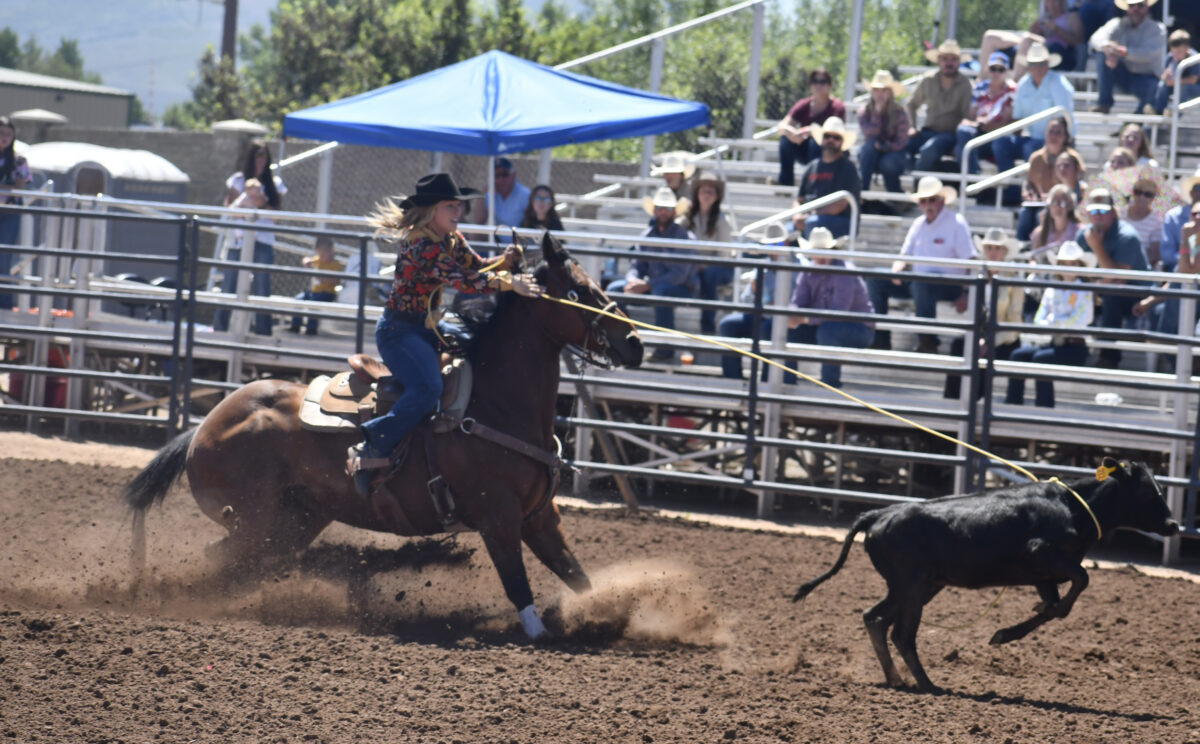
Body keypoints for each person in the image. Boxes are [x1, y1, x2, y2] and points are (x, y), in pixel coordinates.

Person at [346, 173, 539, 497]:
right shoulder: (419, 244)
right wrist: (507, 281)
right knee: (428, 387)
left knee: (483, 352)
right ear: (431, 210)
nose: (458, 212)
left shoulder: (450, 239)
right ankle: (373, 442)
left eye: (459, 206)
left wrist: (502, 262)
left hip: (428, 325)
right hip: (400, 331)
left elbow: (475, 267)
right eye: (450, 206)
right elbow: (462, 281)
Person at [866, 176, 976, 352]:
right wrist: (897, 270)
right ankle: (880, 337)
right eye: (923, 201)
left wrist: (966, 292)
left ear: (942, 201)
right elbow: (904, 256)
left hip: (949, 284)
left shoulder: (957, 223)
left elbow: (971, 261)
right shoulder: (918, 224)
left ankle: (928, 340)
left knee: (920, 282)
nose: (927, 204)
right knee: (875, 277)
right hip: (919, 282)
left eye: (932, 199)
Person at [607, 186, 697, 361]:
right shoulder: (647, 235)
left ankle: (665, 349)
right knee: (614, 290)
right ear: (654, 210)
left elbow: (679, 275)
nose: (664, 212)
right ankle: (622, 343)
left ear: (674, 212)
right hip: (653, 286)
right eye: (660, 208)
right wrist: (632, 281)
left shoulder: (684, 236)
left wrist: (647, 284)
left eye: (668, 209)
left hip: (681, 288)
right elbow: (636, 265)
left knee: (661, 292)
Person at [1004, 242, 1096, 408]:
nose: (1068, 268)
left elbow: (1082, 320)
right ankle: (1013, 404)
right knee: (1018, 355)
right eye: (1064, 264)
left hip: (1074, 347)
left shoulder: (1084, 290)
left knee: (1041, 359)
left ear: (1080, 266)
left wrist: (1052, 322)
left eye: (1073, 264)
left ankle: (1044, 407)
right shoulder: (1052, 289)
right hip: (1054, 344)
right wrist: (1058, 323)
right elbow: (1039, 319)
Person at [787, 227, 875, 388]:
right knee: (787, 329)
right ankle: (785, 382)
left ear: (833, 251)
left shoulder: (845, 273)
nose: (820, 256)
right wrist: (791, 317)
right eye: (816, 251)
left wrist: (803, 318)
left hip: (859, 330)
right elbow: (797, 303)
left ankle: (830, 384)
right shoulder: (807, 272)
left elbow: (838, 313)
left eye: (824, 251)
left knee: (829, 330)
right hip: (823, 326)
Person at [215, 139, 287, 335]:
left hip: (262, 240)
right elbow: (230, 209)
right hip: (238, 241)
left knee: (262, 285)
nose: (260, 159)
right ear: (250, 157)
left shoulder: (275, 184)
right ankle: (220, 329)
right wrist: (251, 205)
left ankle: (263, 331)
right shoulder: (238, 180)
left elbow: (275, 216)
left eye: (264, 155)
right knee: (229, 283)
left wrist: (260, 205)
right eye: (257, 154)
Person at [1075, 187, 1151, 368]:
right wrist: (1093, 287)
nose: (1098, 216)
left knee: (1112, 294)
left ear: (1113, 212)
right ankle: (1072, 351)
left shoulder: (1127, 236)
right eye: (1094, 211)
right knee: (1076, 292)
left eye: (1103, 211)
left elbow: (1117, 279)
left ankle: (1109, 358)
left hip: (1137, 294)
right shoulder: (1082, 235)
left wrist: (1096, 246)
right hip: (1099, 290)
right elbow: (1077, 273)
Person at [993, 41, 1076, 207]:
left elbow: (1065, 119)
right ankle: (1012, 192)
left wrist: (1064, 143)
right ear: (1028, 66)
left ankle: (1035, 193)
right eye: (1033, 64)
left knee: (1030, 149)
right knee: (1000, 144)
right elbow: (1017, 119)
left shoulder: (1059, 83)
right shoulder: (1023, 84)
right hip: (1032, 139)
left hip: (1053, 141)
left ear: (1047, 65)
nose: (1037, 68)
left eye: (1041, 64)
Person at [718, 222, 804, 381]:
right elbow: (745, 305)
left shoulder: (800, 269)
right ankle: (733, 381)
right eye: (770, 245)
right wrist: (752, 291)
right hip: (765, 319)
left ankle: (767, 381)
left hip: (786, 322)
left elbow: (798, 304)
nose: (774, 249)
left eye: (778, 244)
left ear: (786, 243)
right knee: (728, 325)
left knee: (767, 328)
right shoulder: (761, 269)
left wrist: (771, 306)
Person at [944, 228, 1024, 399]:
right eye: (989, 248)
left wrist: (990, 341)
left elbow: (1014, 323)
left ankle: (975, 404)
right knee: (959, 346)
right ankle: (955, 403)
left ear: (1004, 251)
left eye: (997, 248)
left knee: (982, 355)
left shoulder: (1014, 279)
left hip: (1004, 338)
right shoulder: (978, 276)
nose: (992, 252)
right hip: (981, 334)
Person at [1135, 200, 1200, 339]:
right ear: (1190, 216)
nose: (1198, 217)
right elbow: (1179, 276)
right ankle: (1167, 347)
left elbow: (1186, 273)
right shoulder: (1193, 242)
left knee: (1176, 297)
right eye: (1195, 213)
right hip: (1187, 295)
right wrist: (1149, 301)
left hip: (1193, 297)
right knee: (1156, 311)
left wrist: (1184, 238)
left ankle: (1165, 343)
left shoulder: (1190, 241)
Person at [906, 39, 973, 172]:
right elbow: (911, 104)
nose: (949, 63)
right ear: (939, 60)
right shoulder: (928, 80)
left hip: (950, 135)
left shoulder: (965, 84)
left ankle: (919, 187)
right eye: (945, 59)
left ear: (958, 62)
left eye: (953, 59)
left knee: (929, 150)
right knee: (900, 148)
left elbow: (967, 117)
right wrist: (912, 127)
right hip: (927, 131)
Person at [1089, 0, 1167, 114]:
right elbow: (1095, 39)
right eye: (1131, 6)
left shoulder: (1158, 28)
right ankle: (1104, 103)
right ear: (1127, 8)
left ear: (1147, 7)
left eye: (1140, 5)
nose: (1135, 9)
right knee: (1103, 54)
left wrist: (1121, 52)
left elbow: (1148, 54)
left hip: (1147, 79)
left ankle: (1135, 126)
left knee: (1156, 88)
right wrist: (1108, 47)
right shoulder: (1117, 23)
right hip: (1123, 75)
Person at [679, 171, 733, 335]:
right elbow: (677, 237)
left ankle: (708, 326)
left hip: (719, 268)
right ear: (697, 194)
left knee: (708, 275)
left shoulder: (722, 220)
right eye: (704, 191)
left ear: (717, 196)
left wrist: (703, 265)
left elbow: (724, 254)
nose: (707, 195)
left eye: (711, 191)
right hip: (694, 265)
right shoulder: (687, 217)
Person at [792, 116, 861, 239]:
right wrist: (796, 216)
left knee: (812, 224)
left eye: (836, 138)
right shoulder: (811, 166)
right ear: (822, 139)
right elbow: (799, 199)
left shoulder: (848, 168)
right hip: (809, 219)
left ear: (842, 142)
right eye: (827, 136)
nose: (831, 140)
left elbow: (840, 205)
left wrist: (810, 216)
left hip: (840, 221)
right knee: (780, 234)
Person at [776, 68, 846, 187]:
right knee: (785, 140)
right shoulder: (803, 104)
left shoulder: (837, 107)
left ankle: (813, 185)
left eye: (822, 81)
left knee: (816, 142)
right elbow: (782, 126)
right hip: (805, 149)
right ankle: (785, 183)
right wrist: (793, 133)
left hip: (827, 149)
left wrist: (812, 131)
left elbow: (835, 133)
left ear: (829, 85)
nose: (818, 85)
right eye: (815, 81)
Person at [1015, 116, 1082, 239]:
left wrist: (1053, 198)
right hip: (1037, 203)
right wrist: (1028, 193)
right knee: (1024, 212)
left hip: (1061, 205)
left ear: (1065, 136)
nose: (1054, 136)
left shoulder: (1072, 159)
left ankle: (1041, 243)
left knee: (1042, 214)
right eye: (1051, 132)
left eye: (1058, 132)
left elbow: (1077, 187)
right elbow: (1029, 182)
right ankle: (1022, 245)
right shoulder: (1035, 158)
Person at [978, 0, 1085, 77]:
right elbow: (1030, 38)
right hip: (1032, 46)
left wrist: (1056, 29)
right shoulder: (1042, 18)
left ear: (1062, 2)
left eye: (1055, 1)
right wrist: (1035, 31)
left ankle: (1014, 84)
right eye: (1049, 1)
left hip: (1056, 51)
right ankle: (983, 82)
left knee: (1026, 39)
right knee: (990, 36)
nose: (1052, 4)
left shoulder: (1071, 17)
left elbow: (1078, 40)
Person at [954, 52, 1017, 175]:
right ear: (988, 70)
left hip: (999, 137)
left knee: (960, 148)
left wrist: (981, 123)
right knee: (963, 131)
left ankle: (972, 181)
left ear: (1007, 71)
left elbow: (1005, 122)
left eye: (1001, 69)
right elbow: (972, 116)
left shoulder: (1012, 90)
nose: (996, 73)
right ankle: (972, 176)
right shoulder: (979, 88)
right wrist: (978, 123)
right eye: (993, 69)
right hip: (980, 134)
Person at [857, 70, 911, 194]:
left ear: (890, 93)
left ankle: (895, 194)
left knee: (887, 162)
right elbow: (869, 134)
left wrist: (883, 146)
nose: (879, 94)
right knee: (868, 147)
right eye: (876, 90)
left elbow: (900, 143)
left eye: (884, 90)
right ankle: (862, 190)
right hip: (871, 155)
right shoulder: (864, 111)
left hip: (895, 154)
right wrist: (877, 112)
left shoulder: (900, 112)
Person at [0, 115, 30, 311]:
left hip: (8, 214)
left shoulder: (19, 160)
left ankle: (4, 307)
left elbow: (19, 188)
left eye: (8, 134)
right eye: (1, 133)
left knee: (3, 259)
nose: (4, 137)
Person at [289, 236, 345, 335]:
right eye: (320, 254)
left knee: (313, 303)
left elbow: (336, 280)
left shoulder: (335, 264)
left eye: (324, 254)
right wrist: (306, 262)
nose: (321, 257)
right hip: (314, 292)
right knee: (298, 299)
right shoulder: (318, 260)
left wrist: (321, 277)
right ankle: (295, 326)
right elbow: (306, 259)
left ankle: (311, 328)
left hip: (327, 293)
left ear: (331, 251)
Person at [1160, 166, 1200, 272]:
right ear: (1191, 192)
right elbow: (1168, 256)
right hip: (1177, 274)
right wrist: (1187, 259)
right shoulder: (1172, 216)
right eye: (1197, 188)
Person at [1030, 183, 1083, 259]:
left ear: (1070, 206)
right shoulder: (1039, 233)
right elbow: (1033, 259)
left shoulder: (1080, 232)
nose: (1057, 207)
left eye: (1062, 203)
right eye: (1054, 202)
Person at [1153, 29, 1200, 114]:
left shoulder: (1194, 58)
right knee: (1161, 85)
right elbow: (1164, 75)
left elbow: (1193, 80)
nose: (1175, 54)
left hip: (1195, 88)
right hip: (1176, 85)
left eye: (1179, 52)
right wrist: (1166, 78)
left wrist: (1175, 81)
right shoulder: (1170, 57)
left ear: (1187, 48)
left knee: (1185, 88)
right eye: (1173, 51)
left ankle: (1175, 114)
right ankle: (1158, 111)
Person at [1123, 177, 1163, 267]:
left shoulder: (1157, 222)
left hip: (1140, 267)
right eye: (1138, 192)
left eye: (1148, 194)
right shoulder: (1121, 213)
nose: (1142, 197)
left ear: (1153, 198)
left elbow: (1154, 254)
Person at [483, 157, 531, 230]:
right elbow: (479, 221)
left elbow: (529, 224)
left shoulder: (525, 195)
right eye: (496, 176)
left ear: (514, 175)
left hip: (518, 239)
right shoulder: (489, 193)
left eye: (505, 174)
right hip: (496, 238)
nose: (501, 179)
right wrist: (483, 193)